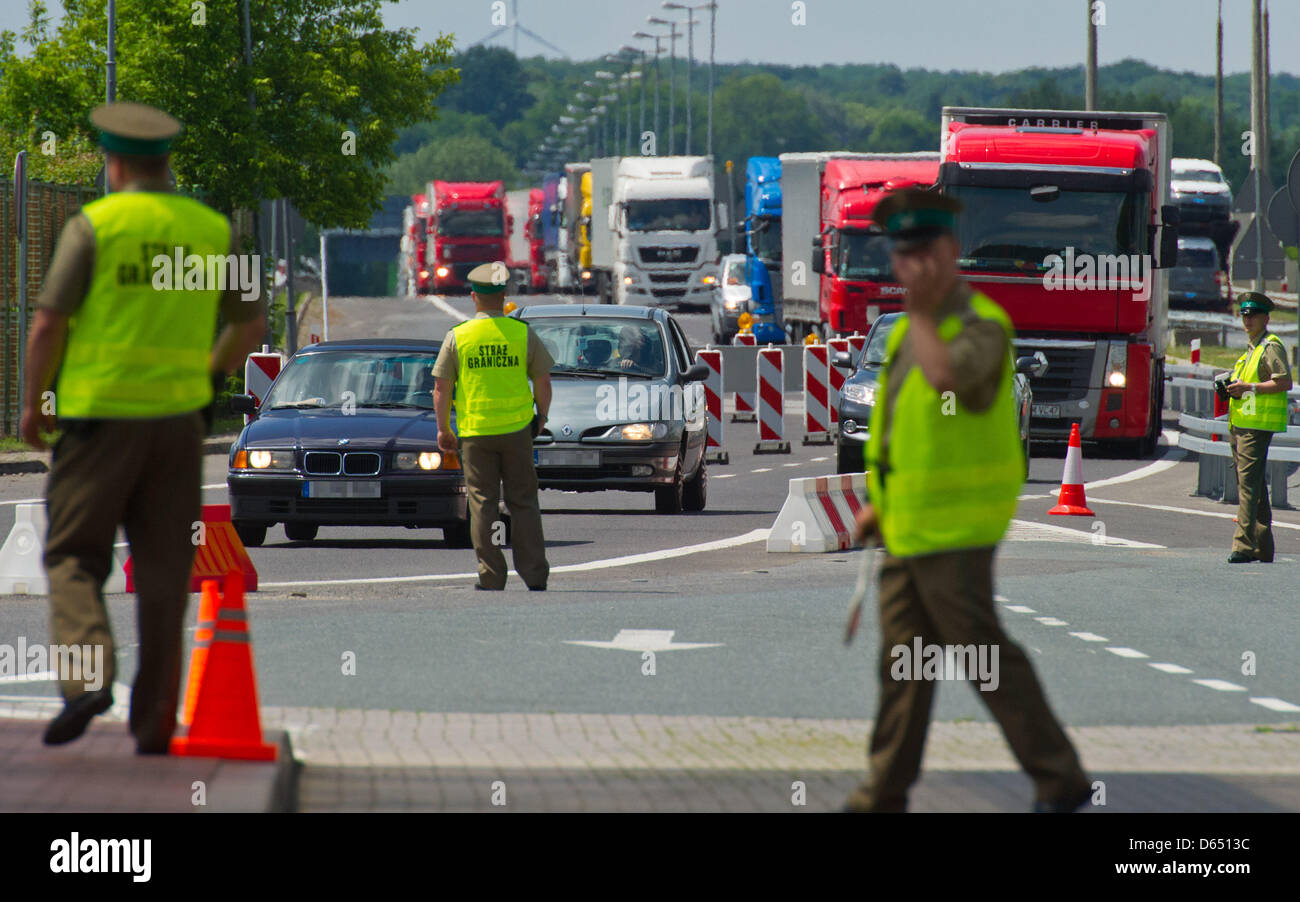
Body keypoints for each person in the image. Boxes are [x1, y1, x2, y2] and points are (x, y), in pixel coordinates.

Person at [21, 101, 266, 751]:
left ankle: (89, 674)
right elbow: (251, 328)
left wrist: (33, 404)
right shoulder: (214, 232)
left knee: (74, 553)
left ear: (115, 161)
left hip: (97, 422)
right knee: (163, 573)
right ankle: (155, 721)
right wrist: (207, 381)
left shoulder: (96, 226)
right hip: (178, 429)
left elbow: (48, 323)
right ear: (166, 161)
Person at [844, 189, 1091, 813]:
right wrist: (878, 503)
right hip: (908, 525)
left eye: (924, 253)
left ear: (951, 252)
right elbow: (899, 431)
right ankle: (885, 790)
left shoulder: (981, 324)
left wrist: (923, 315)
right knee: (902, 663)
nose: (912, 266)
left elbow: (951, 381)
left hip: (959, 527)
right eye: (903, 254)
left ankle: (1059, 778)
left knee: (984, 658)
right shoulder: (905, 334)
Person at [433, 262, 553, 590]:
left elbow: (441, 388)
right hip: (517, 431)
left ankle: (491, 574)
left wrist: (444, 429)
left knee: (482, 503)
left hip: (475, 435)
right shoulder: (522, 333)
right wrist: (541, 417)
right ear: (504, 296)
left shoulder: (459, 336)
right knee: (524, 501)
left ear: (474, 297)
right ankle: (535, 574)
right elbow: (543, 381)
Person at [1223, 291, 1292, 563]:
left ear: (1266, 318)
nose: (1248, 319)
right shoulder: (1252, 347)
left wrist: (1248, 387)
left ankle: (1242, 545)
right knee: (1252, 485)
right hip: (1242, 423)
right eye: (1244, 315)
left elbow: (1284, 381)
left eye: (1253, 315)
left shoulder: (1270, 346)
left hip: (1255, 427)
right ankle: (1263, 546)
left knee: (1248, 487)